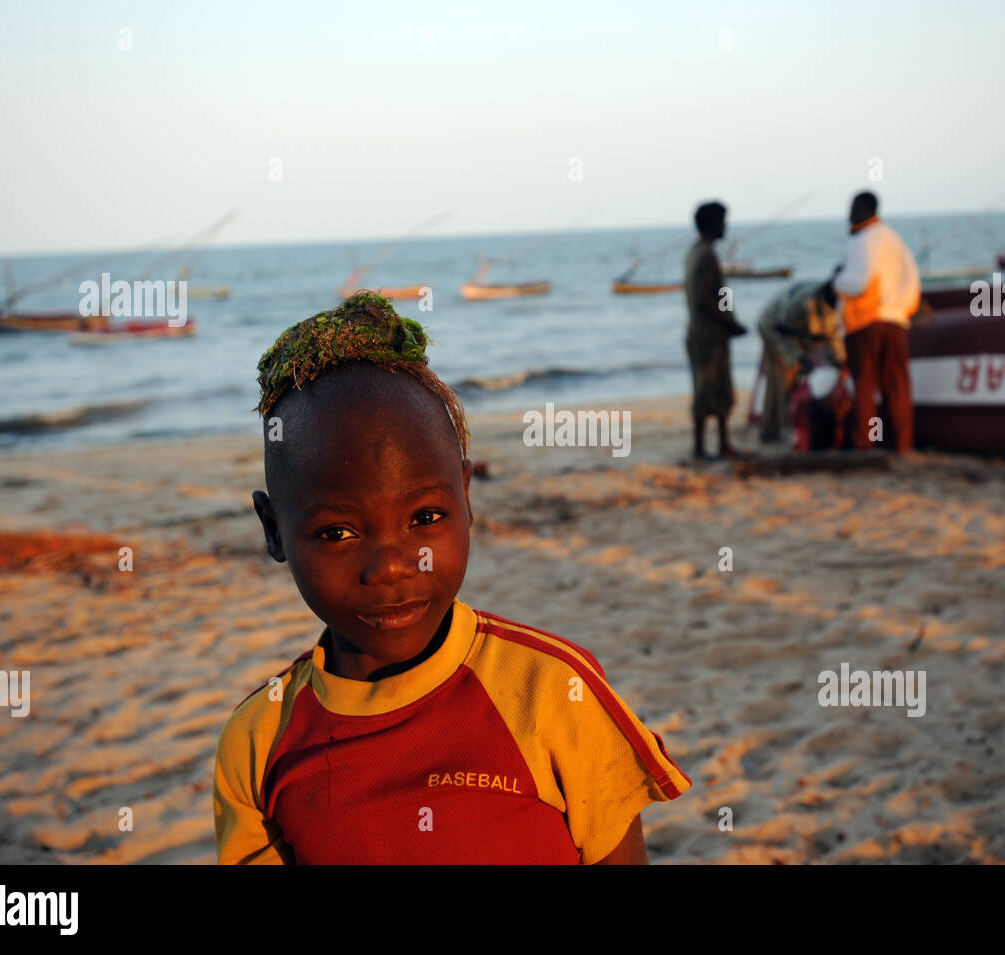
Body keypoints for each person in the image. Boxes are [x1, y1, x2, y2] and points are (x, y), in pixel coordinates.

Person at [214, 292, 691, 864]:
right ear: (273, 530)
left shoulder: (552, 694)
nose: (390, 565)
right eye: (337, 532)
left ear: (466, 499)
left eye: (426, 518)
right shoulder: (260, 742)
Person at [832, 191, 921, 452]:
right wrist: (901, 310)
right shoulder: (895, 240)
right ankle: (901, 444)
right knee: (897, 386)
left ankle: (865, 443)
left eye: (852, 208)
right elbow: (913, 282)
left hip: (865, 323)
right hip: (895, 321)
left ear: (863, 209)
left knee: (865, 385)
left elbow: (858, 282)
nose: (848, 214)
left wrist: (836, 280)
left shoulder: (863, 240)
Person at [684, 200, 747, 459]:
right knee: (713, 390)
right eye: (722, 221)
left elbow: (716, 295)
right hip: (710, 335)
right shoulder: (708, 257)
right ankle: (706, 447)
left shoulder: (694, 252)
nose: (726, 226)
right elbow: (705, 298)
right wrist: (730, 323)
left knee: (709, 388)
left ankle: (719, 444)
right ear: (713, 225)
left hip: (699, 333)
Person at [755, 275, 848, 445]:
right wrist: (797, 359)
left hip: (798, 331)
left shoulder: (837, 301)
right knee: (781, 378)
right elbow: (781, 333)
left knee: (801, 375)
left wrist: (840, 361)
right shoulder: (802, 303)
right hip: (773, 326)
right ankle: (774, 431)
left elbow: (833, 335)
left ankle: (792, 423)